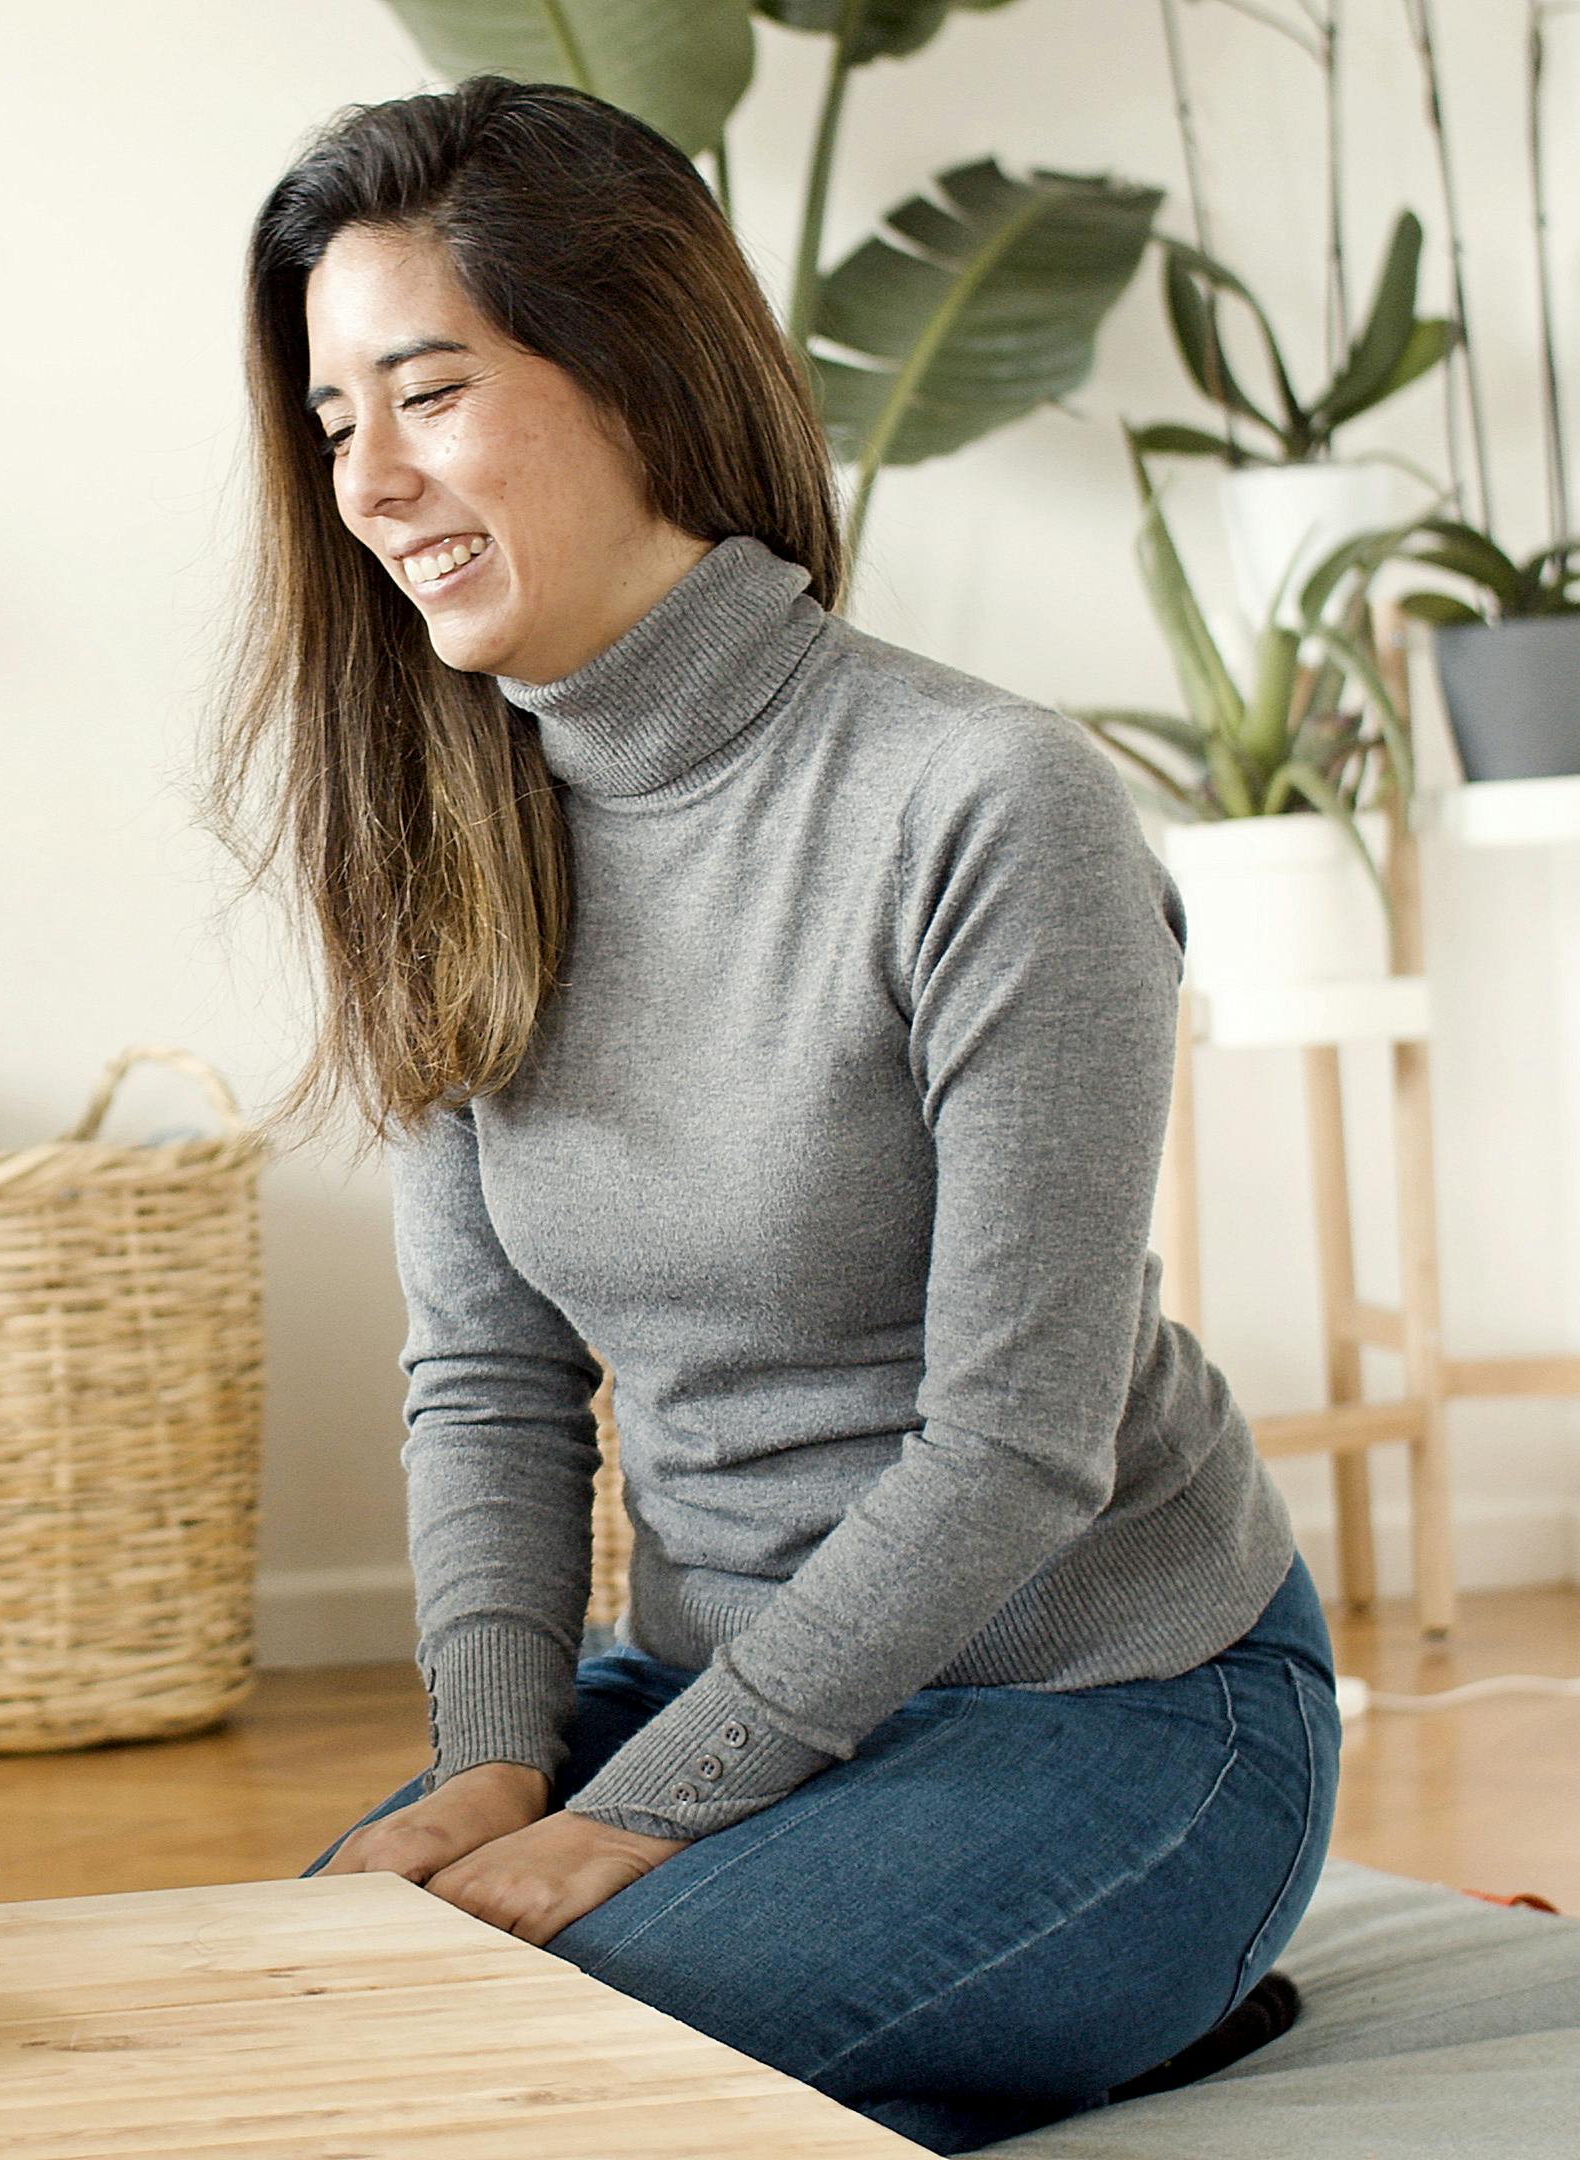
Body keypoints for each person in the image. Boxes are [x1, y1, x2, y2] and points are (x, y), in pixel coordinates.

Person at [215, 79, 1336, 2153]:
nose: (367, 479)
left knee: (549, 2084)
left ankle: (1101, 1965)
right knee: (312, 2037)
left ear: (633, 371)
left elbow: (1013, 1447)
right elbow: (486, 1381)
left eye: (427, 393)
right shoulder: (446, 836)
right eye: (331, 419)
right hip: (741, 1688)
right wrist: (491, 1763)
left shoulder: (989, 810)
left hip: (1109, 1699)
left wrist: (637, 1822)